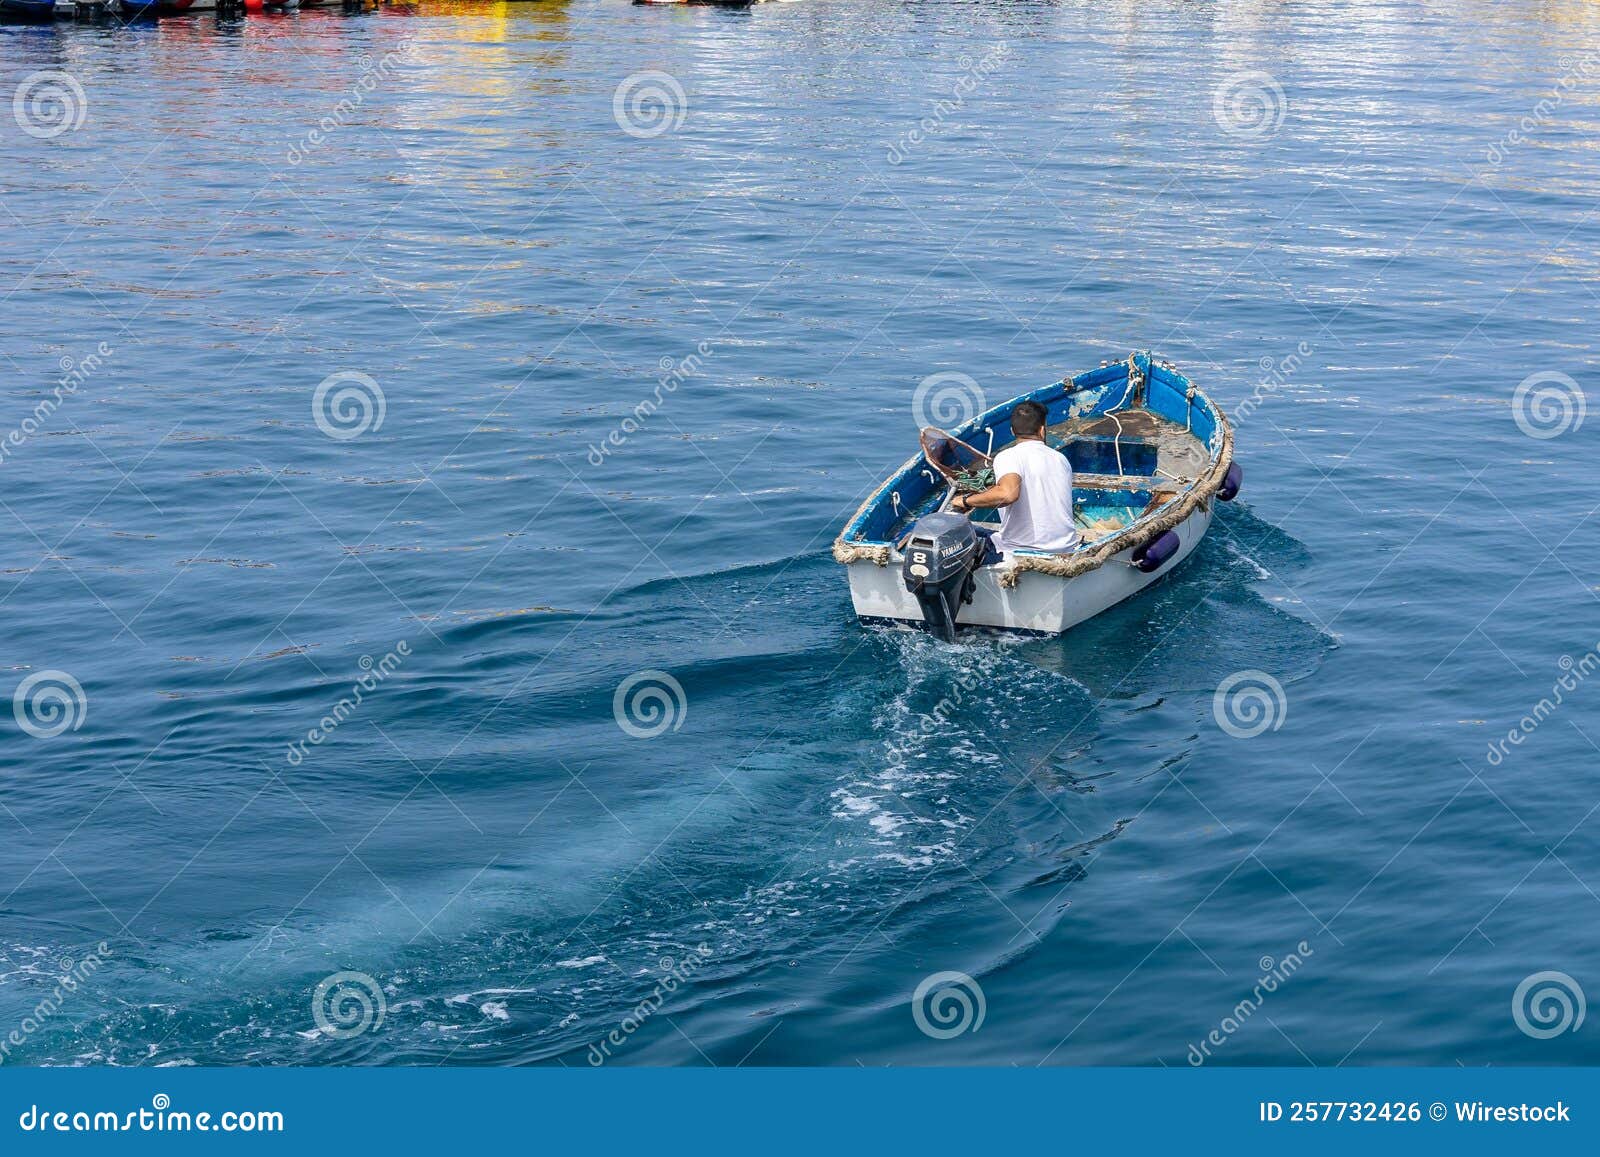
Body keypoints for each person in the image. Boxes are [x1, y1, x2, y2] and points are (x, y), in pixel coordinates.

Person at [951, 401, 1079, 555]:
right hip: (1066, 547)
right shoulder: (1060, 459)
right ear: (1042, 430)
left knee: (958, 533)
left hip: (1021, 551)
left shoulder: (1008, 456)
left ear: (1012, 431)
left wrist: (965, 500)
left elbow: (1007, 494)